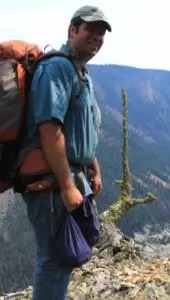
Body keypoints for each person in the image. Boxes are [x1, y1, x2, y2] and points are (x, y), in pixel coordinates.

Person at [20, 5, 112, 300]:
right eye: (90, 31)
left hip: (72, 174)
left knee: (64, 254)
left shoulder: (79, 71)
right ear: (72, 30)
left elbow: (79, 127)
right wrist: (68, 185)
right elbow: (50, 129)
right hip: (51, 181)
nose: (96, 39)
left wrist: (92, 166)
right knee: (53, 258)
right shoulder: (57, 68)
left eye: (101, 34)